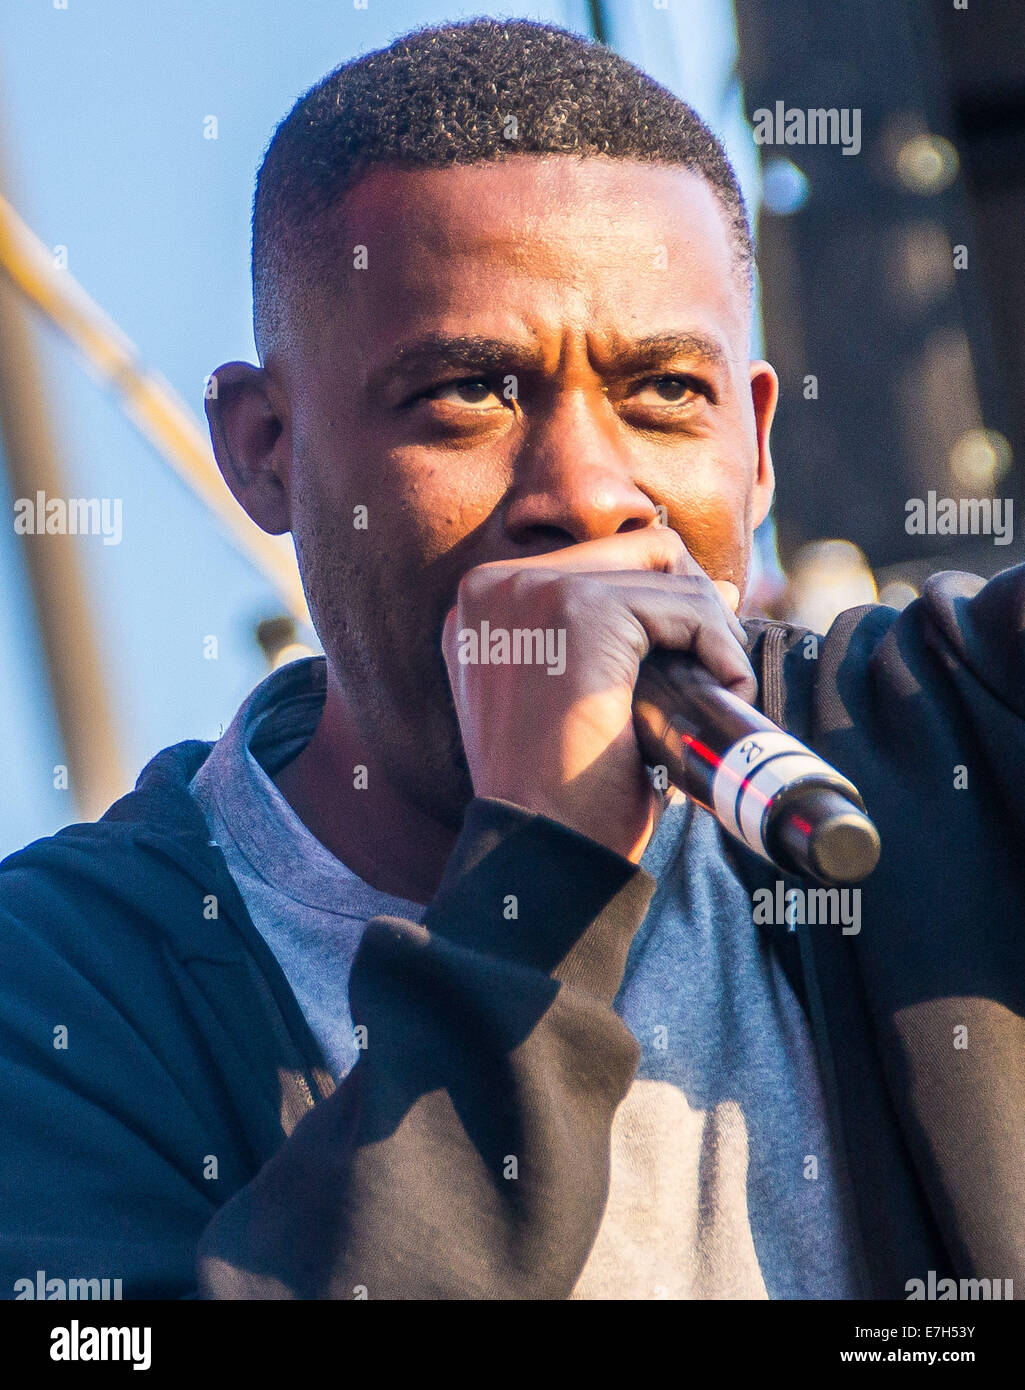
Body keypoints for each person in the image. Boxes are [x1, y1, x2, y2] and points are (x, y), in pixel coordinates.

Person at [3, 17, 1023, 1303]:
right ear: (265, 448)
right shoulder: (57, 995)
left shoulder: (952, 740)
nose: (587, 493)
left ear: (757, 449)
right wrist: (534, 891)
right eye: (469, 392)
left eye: (663, 392)